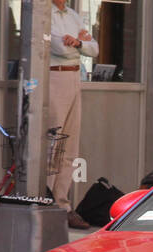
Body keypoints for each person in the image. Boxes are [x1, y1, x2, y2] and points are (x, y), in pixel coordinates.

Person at [47, 0, 98, 229]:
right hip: (54, 77)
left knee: (70, 145)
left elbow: (94, 49)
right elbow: (59, 47)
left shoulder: (74, 15)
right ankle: (46, 202)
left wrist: (77, 42)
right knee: (53, 143)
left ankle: (63, 205)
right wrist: (80, 44)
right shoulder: (44, 13)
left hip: (75, 78)